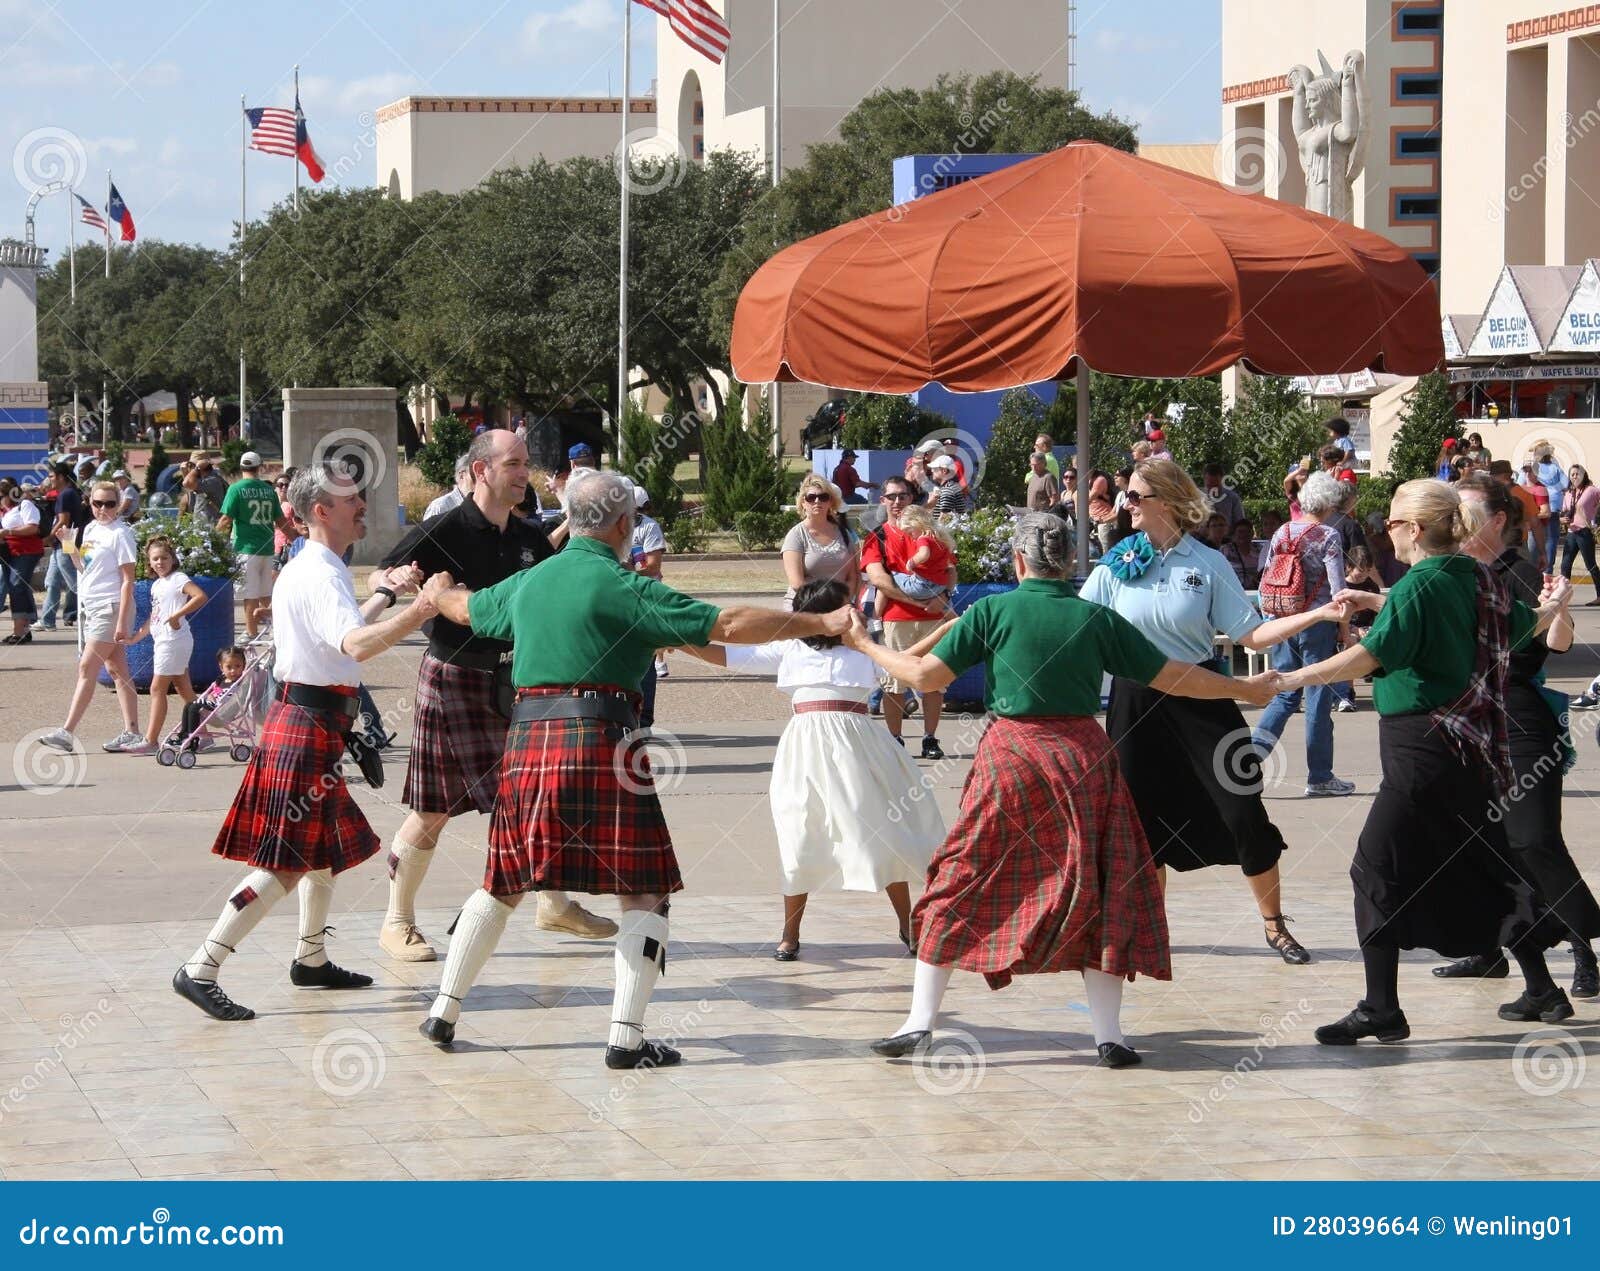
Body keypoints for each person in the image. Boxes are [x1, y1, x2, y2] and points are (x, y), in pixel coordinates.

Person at [417, 471, 853, 1066]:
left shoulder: (530, 582)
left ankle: (443, 1010)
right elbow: (726, 625)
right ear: (624, 525)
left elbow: (465, 610)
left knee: (506, 880)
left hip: (527, 747)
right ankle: (625, 1039)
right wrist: (819, 623)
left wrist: (438, 590)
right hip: (606, 745)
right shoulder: (628, 586)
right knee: (642, 890)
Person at [849, 513, 1278, 1067]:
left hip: (1012, 758)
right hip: (1084, 760)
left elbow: (923, 677)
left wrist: (863, 642)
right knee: (1102, 886)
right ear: (1071, 564)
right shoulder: (1095, 617)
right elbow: (1175, 676)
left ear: (1019, 562)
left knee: (961, 879)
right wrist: (1244, 686)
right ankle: (1110, 1036)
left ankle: (919, 1024)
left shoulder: (992, 610)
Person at [1276, 481, 1576, 1043]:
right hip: (1473, 749)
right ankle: (1541, 986)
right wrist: (1377, 600)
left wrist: (1285, 679)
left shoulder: (1421, 583)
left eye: (1389, 523)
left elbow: (1369, 655)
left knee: (1374, 869)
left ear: (1414, 530)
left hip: (1422, 748)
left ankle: (1381, 1007)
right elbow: (1518, 628)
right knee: (1481, 866)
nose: (1383, 531)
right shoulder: (1476, 575)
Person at [171, 462, 449, 1021]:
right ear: (322, 511)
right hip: (307, 726)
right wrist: (422, 609)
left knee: (316, 853)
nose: (362, 506)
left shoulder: (313, 565)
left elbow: (339, 638)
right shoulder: (321, 573)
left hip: (311, 721)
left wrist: (388, 597)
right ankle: (200, 968)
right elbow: (358, 646)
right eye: (351, 500)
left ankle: (312, 959)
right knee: (284, 863)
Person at [1079, 460, 1348, 964]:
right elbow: (1081, 623)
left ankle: (1274, 925)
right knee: (1141, 823)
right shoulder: (1117, 561)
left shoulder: (1207, 563)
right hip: (1135, 702)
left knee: (1243, 810)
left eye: (1135, 497)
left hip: (1204, 696)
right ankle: (1148, 931)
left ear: (1165, 501)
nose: (1126, 506)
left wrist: (1316, 613)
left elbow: (1252, 633)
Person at [373, 429, 615, 963]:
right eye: (513, 464)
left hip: (515, 683)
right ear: (481, 471)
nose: (524, 473)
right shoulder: (445, 528)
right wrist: (403, 585)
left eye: (526, 463)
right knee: (435, 809)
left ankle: (551, 903)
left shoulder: (527, 534)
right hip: (455, 678)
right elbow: (381, 573)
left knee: (534, 794)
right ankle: (397, 920)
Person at [681, 578, 941, 960]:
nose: (856, 611)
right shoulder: (788, 650)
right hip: (805, 748)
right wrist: (674, 639)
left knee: (882, 834)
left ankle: (907, 925)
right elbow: (724, 655)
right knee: (799, 834)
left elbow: (911, 663)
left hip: (859, 749)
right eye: (846, 606)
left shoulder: (863, 650)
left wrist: (949, 628)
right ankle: (790, 933)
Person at [1427, 474, 1600, 999]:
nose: (1457, 521)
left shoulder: (1521, 573)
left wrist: (1562, 608)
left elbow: (1557, 645)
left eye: (1469, 511)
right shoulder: (1451, 572)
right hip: (1466, 721)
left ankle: (1583, 946)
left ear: (1498, 520)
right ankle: (1488, 950)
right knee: (1476, 843)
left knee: (1533, 839)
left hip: (1521, 719)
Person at [1250, 472, 1356, 797]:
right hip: (1317, 622)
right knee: (1318, 696)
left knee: (1284, 693)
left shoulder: (1282, 531)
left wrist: (1271, 618)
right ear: (1327, 504)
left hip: (1283, 619)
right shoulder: (1328, 536)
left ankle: (1247, 763)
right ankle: (1320, 777)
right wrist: (1345, 630)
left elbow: (1266, 576)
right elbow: (1338, 591)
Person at [38, 482, 141, 754]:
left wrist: (121, 621)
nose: (103, 509)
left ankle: (67, 731)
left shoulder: (121, 534)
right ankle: (132, 731)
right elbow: (84, 567)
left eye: (109, 503)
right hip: (94, 606)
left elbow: (129, 580)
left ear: (118, 504)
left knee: (87, 668)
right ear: (90, 503)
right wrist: (68, 544)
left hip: (111, 607)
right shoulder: (92, 529)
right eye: (98, 503)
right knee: (118, 672)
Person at [861, 476, 954, 760]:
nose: (897, 502)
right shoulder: (877, 536)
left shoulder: (930, 532)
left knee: (935, 682)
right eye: (891, 497)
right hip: (896, 618)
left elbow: (950, 570)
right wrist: (916, 600)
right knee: (893, 684)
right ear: (883, 500)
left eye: (902, 496)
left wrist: (944, 597)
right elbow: (878, 578)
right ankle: (895, 740)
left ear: (911, 498)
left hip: (933, 616)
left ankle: (930, 739)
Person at [122, 535, 207, 755]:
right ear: (149, 562)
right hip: (165, 640)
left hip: (174, 640)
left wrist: (178, 615)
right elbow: (155, 617)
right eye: (155, 559)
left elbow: (200, 596)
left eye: (164, 558)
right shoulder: (157, 585)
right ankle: (204, 734)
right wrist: (134, 638)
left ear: (172, 559)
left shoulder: (178, 578)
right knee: (183, 688)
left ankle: (151, 740)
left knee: (157, 688)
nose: (160, 562)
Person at [217, 451, 292, 639]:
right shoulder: (268, 490)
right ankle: (275, 629)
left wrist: (211, 538)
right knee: (266, 592)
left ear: (242, 467)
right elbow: (280, 520)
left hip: (245, 548)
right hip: (268, 547)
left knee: (250, 593)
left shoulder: (235, 489)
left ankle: (251, 632)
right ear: (259, 468)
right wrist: (296, 536)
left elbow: (226, 519)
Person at [782, 476, 858, 609]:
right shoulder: (796, 535)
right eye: (811, 498)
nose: (817, 501)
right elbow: (796, 583)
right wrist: (824, 606)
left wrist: (843, 602)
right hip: (803, 607)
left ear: (831, 502)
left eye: (823, 497)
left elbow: (853, 576)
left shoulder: (844, 533)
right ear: (803, 503)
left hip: (840, 606)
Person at [34, 462, 86, 632]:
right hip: (63, 543)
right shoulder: (69, 493)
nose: (49, 480)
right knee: (52, 582)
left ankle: (91, 610)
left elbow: (63, 521)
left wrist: (48, 537)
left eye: (51, 477)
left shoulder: (66, 495)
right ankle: (47, 621)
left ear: (61, 477)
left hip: (66, 543)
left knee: (74, 582)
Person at [2, 484, 44, 643]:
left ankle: (19, 631)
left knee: (16, 586)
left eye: (1, 496)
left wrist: (8, 532)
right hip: (9, 553)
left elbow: (33, 528)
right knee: (18, 588)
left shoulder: (25, 505)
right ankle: (24, 630)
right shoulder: (6, 511)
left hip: (26, 552)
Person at [891, 505, 955, 608]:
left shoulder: (923, 539)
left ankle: (876, 616)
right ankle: (954, 617)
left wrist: (911, 562)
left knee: (891, 574)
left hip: (922, 587)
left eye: (910, 532)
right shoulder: (940, 539)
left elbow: (924, 554)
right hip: (940, 586)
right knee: (946, 607)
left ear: (918, 523)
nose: (912, 537)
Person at [1557, 463, 1600, 604]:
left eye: (1578, 474)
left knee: (1591, 565)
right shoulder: (1568, 493)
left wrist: (1596, 520)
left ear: (1583, 475)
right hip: (1571, 532)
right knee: (1565, 565)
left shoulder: (1591, 490)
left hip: (1584, 532)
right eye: (1572, 474)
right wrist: (1561, 519)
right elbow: (1564, 510)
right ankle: (1563, 597)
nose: (1575, 476)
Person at [1536, 448, 1569, 572]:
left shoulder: (1533, 468)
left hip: (1538, 507)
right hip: (1554, 507)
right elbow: (1566, 484)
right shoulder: (1555, 468)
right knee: (1551, 540)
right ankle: (1547, 570)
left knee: (1535, 538)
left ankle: (1536, 569)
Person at [425, 454, 474, 520]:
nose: (481, 478)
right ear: (462, 475)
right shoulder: (440, 506)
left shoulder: (484, 507)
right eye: (475, 473)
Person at [1220, 518, 1259, 589]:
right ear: (1234, 534)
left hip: (1255, 592)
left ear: (1252, 533)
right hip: (1232, 591)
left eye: (1247, 531)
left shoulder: (1259, 550)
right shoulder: (1225, 550)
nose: (1243, 534)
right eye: (1240, 531)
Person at [1088, 468, 1118, 554]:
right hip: (1093, 519)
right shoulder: (1087, 480)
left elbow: (1088, 499)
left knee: (1106, 548)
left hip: (1104, 519)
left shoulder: (1099, 480)